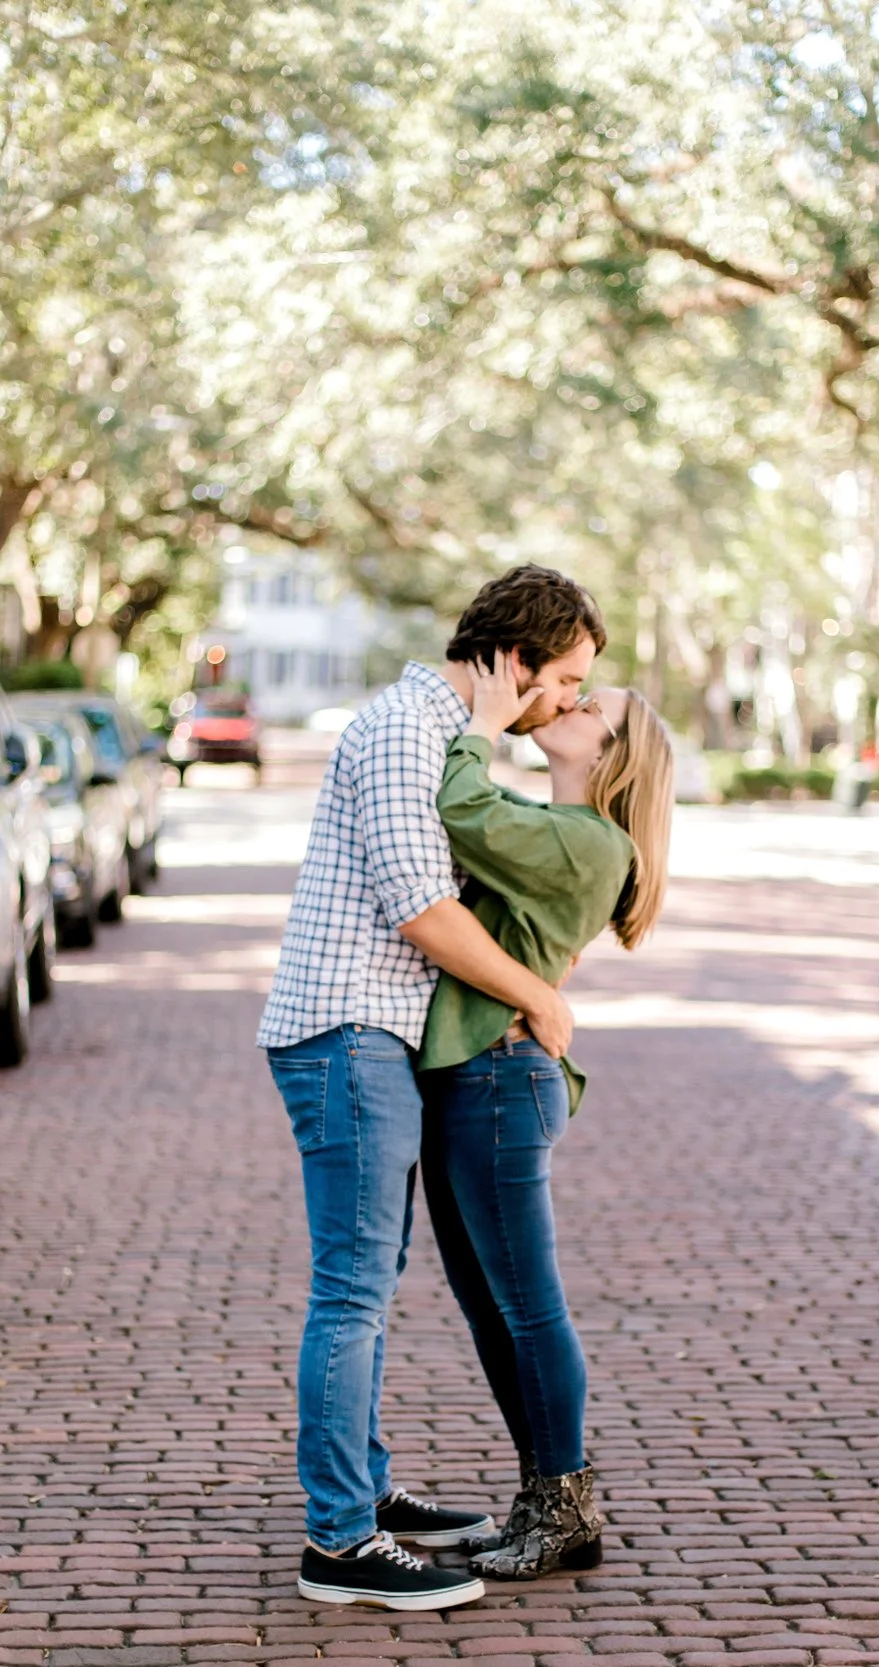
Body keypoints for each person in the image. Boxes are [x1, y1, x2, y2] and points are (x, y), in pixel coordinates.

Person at [257, 564, 606, 1612]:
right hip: (347, 1030)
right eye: (565, 677)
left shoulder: (440, 734)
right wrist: (539, 1000)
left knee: (369, 1276)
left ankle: (362, 1493)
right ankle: (340, 1541)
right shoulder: (409, 729)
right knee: (353, 1288)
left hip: (368, 1035)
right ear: (512, 659)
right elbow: (421, 907)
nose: (570, 699)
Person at [416, 657, 672, 1580]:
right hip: (471, 1078)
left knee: (527, 1307)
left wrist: (482, 719)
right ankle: (542, 1498)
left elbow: (458, 804)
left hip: (499, 1081)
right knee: (491, 1306)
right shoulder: (559, 827)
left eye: (586, 702)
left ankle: (567, 1504)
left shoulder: (592, 840)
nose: (564, 699)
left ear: (611, 754)